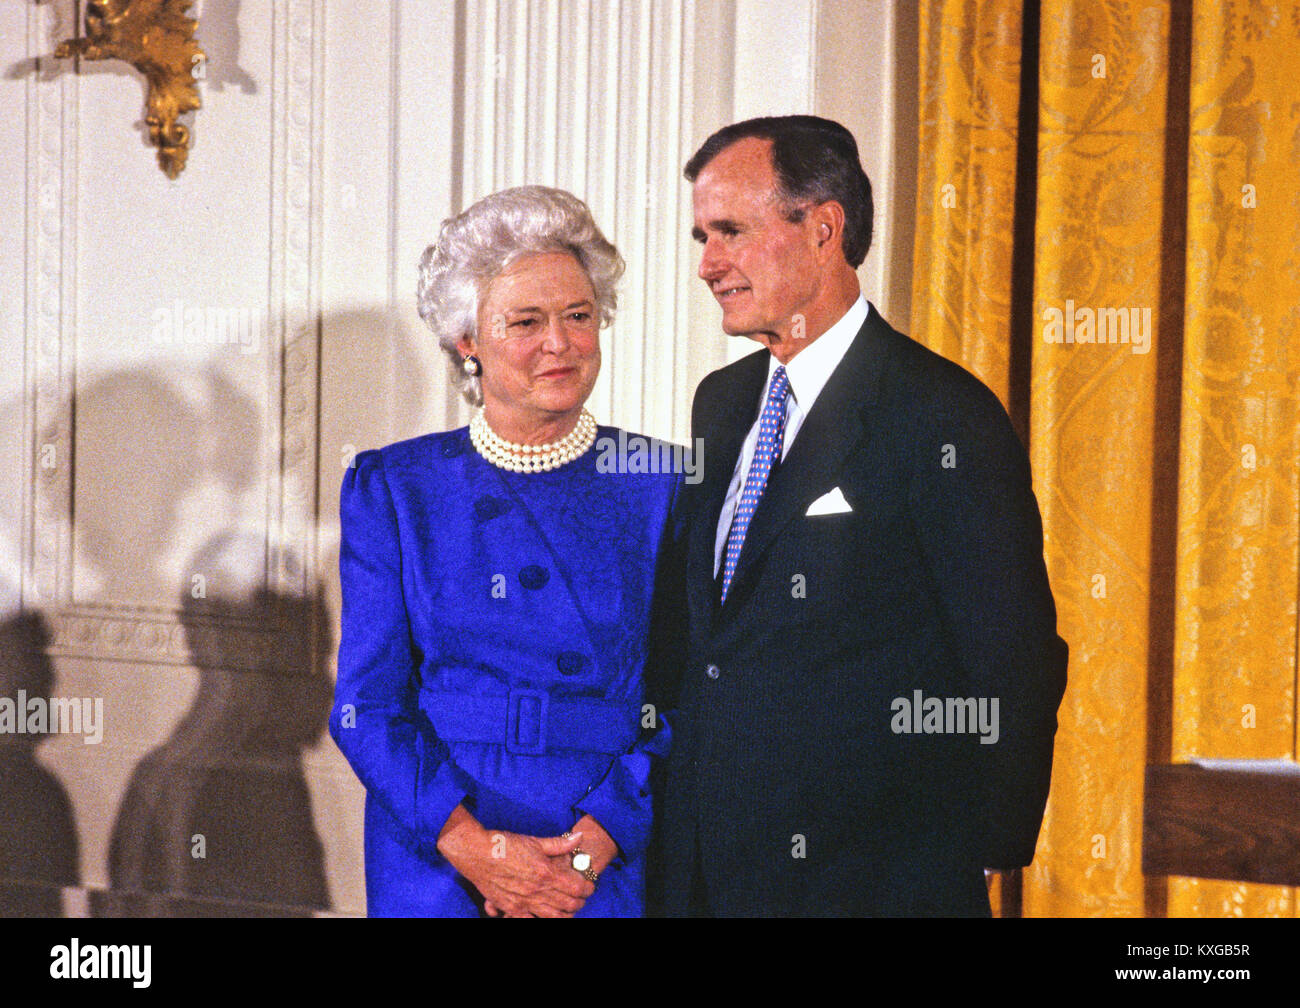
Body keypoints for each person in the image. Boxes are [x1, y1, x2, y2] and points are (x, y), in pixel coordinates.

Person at [652, 116, 1068, 916]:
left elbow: (1013, 661)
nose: (708, 264)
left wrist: (975, 854)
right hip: (705, 874)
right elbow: (707, 641)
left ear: (824, 229)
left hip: (873, 881)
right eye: (703, 236)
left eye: (731, 231)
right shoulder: (723, 404)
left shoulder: (942, 415)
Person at [330, 185, 679, 917]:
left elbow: (687, 695)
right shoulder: (396, 488)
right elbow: (365, 705)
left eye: (578, 316)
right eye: (526, 321)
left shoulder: (663, 484)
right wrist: (477, 850)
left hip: (602, 848)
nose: (560, 343)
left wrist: (594, 845)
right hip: (442, 846)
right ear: (468, 341)